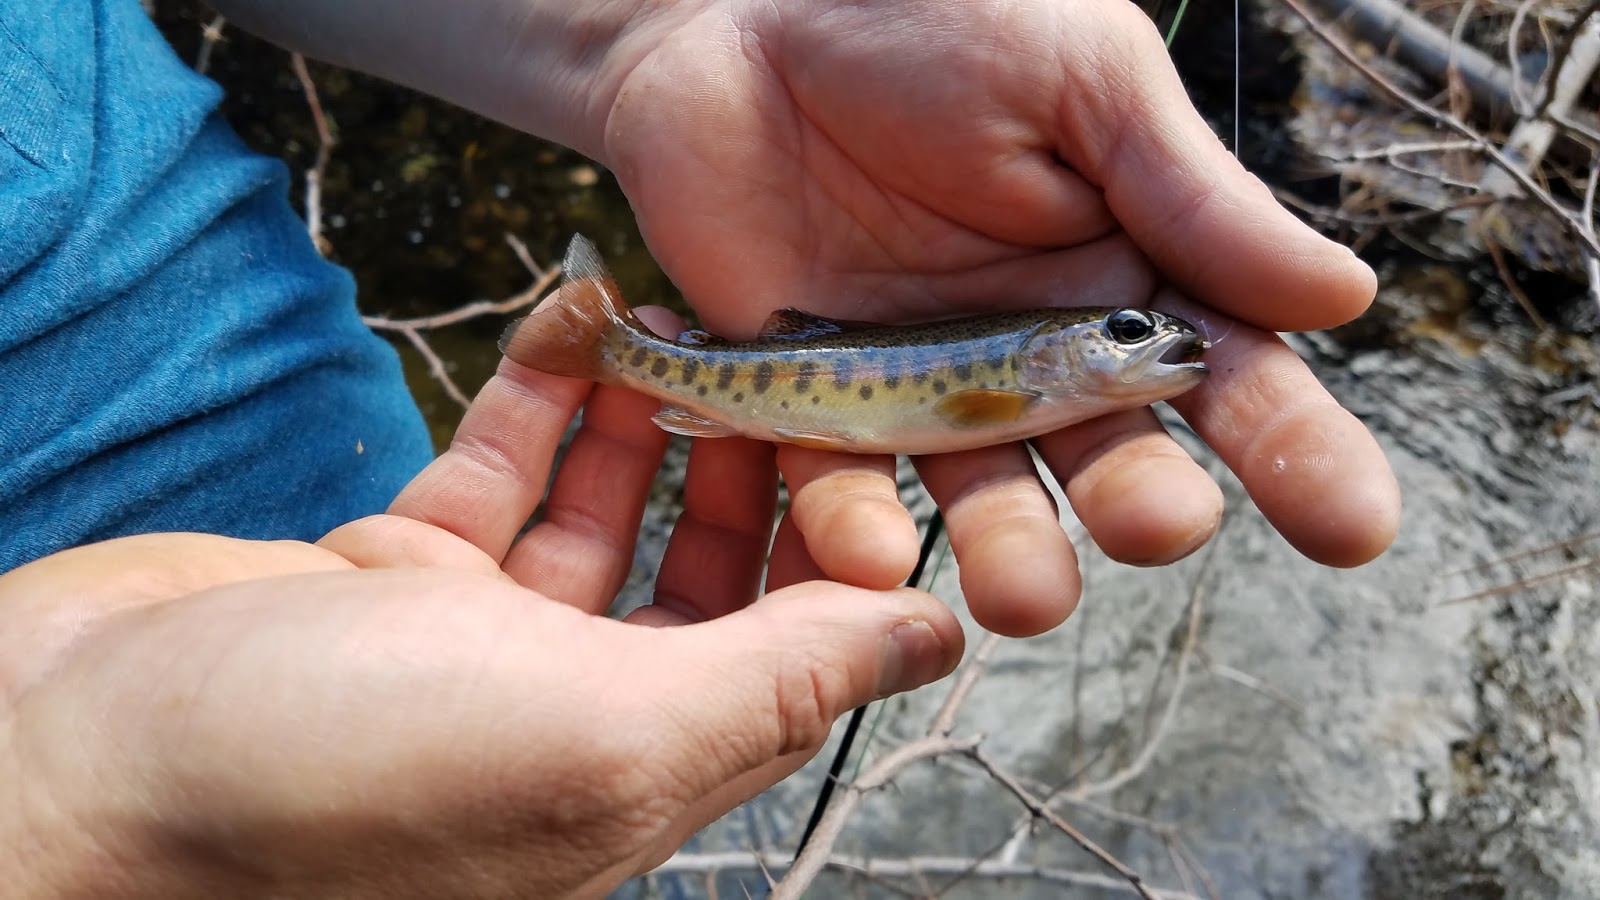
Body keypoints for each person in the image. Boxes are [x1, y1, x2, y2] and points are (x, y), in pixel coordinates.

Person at [0, 0, 1401, 894]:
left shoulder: (1035, 371)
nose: (1151, 356)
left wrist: (657, 29)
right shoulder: (1024, 380)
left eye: (1136, 348)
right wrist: (69, 811)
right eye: (1125, 343)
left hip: (134, 242)